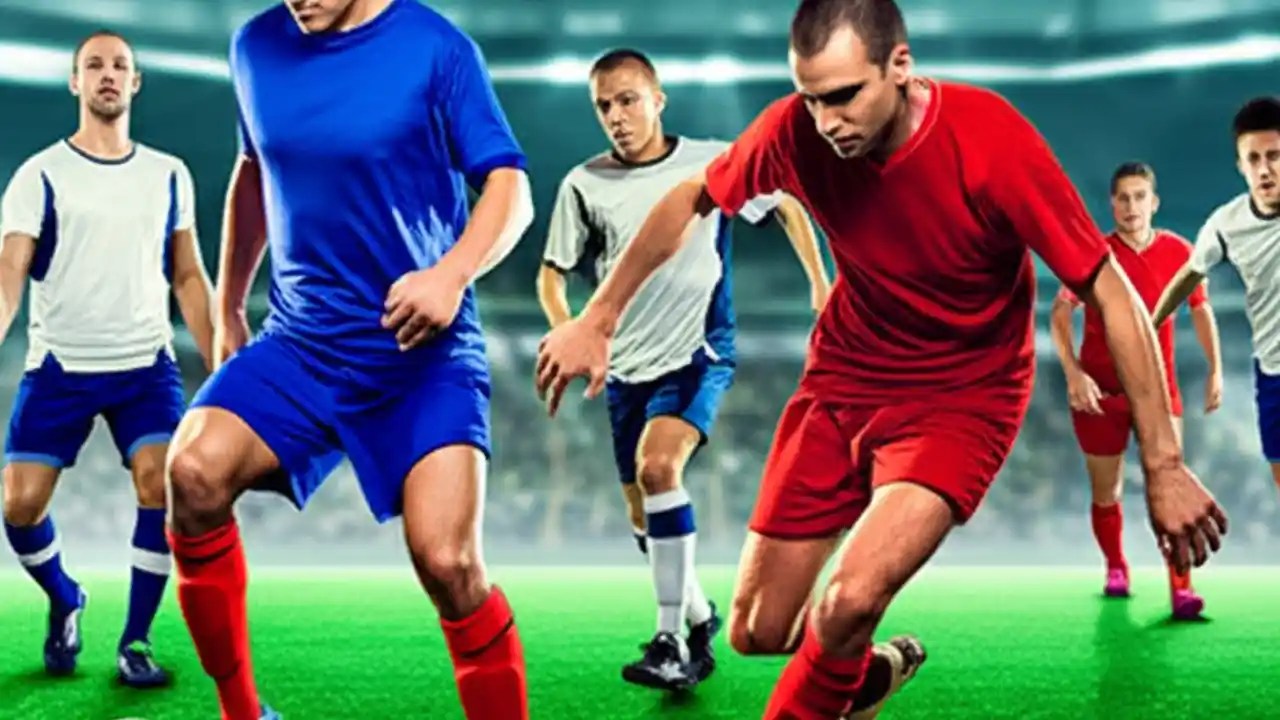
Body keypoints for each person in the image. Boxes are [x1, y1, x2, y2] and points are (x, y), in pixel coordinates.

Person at [534, 1, 1228, 717]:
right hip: (844, 379)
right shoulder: (793, 134)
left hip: (963, 397)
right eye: (810, 98)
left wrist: (1165, 464)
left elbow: (1110, 293)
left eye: (843, 96)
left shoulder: (990, 140)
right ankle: (866, 672)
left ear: (901, 67)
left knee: (846, 602)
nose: (827, 120)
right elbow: (692, 196)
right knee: (756, 630)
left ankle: (842, 653)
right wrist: (601, 314)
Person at [162, 2, 533, 719]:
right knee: (192, 471)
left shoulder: (435, 48)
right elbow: (253, 171)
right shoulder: (255, 47)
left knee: (449, 564)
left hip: (419, 351)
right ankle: (243, 712)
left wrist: (451, 275)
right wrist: (233, 303)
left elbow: (510, 189)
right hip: (302, 343)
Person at [538, 47, 831, 691]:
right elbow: (552, 273)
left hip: (697, 350)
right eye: (604, 106)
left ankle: (669, 638)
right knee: (645, 519)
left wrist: (818, 280)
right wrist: (568, 324)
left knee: (658, 466)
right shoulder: (582, 184)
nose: (616, 116)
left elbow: (783, 203)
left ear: (658, 98)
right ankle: (698, 621)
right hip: (623, 366)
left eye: (628, 100)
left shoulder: (711, 162)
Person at [0, 30, 213, 688]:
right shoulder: (39, 175)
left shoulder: (169, 174)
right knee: (17, 507)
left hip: (144, 368)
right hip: (60, 367)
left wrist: (227, 363)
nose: (108, 75)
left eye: (120, 65)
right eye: (94, 65)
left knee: (161, 484)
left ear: (136, 82)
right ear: (75, 83)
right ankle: (66, 597)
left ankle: (136, 640)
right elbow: (10, 271)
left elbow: (188, 275)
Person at [1050, 161, 1221, 619]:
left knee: (1166, 485)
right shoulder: (1092, 254)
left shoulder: (1179, 253)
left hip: (1160, 393)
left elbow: (1201, 311)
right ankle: (1116, 566)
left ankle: (1181, 589)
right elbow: (1060, 313)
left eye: (1139, 196)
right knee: (1107, 492)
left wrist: (1216, 370)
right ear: (1112, 203)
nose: (1131, 206)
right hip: (1100, 394)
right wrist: (1073, 373)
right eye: (1123, 198)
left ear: (1154, 202)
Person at [1153, 96, 1280, 489]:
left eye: (1274, 155)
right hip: (1273, 369)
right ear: (1240, 167)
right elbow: (1189, 276)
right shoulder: (1227, 224)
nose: (1265, 169)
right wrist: (1148, 325)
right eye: (1254, 159)